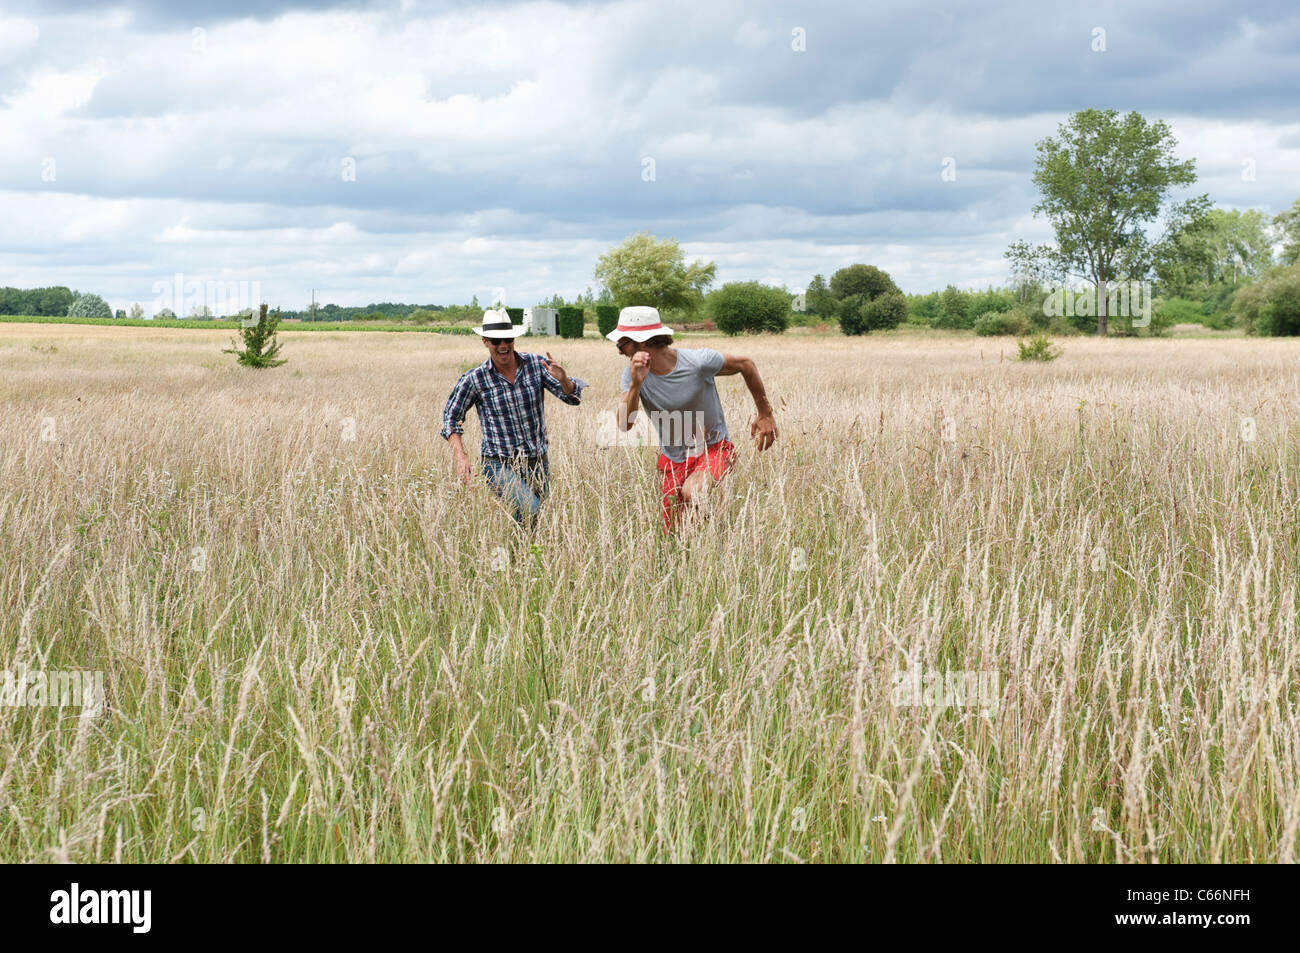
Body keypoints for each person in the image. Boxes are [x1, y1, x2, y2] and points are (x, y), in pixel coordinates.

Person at [610, 305, 777, 531]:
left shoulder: (697, 362)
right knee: (676, 532)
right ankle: (713, 536)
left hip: (713, 448)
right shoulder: (631, 375)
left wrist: (765, 414)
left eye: (622, 343)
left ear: (643, 342)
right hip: (674, 459)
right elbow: (623, 424)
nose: (620, 351)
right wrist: (635, 385)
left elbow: (746, 364)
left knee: (693, 492)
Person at [441, 308, 586, 528]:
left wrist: (564, 378)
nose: (503, 345)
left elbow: (571, 397)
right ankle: (513, 559)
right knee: (530, 508)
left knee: (534, 520)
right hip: (498, 463)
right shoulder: (475, 379)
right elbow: (451, 418)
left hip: (537, 460)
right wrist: (461, 458)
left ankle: (520, 560)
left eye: (507, 339)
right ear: (485, 342)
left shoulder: (535, 365)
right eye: (496, 340)